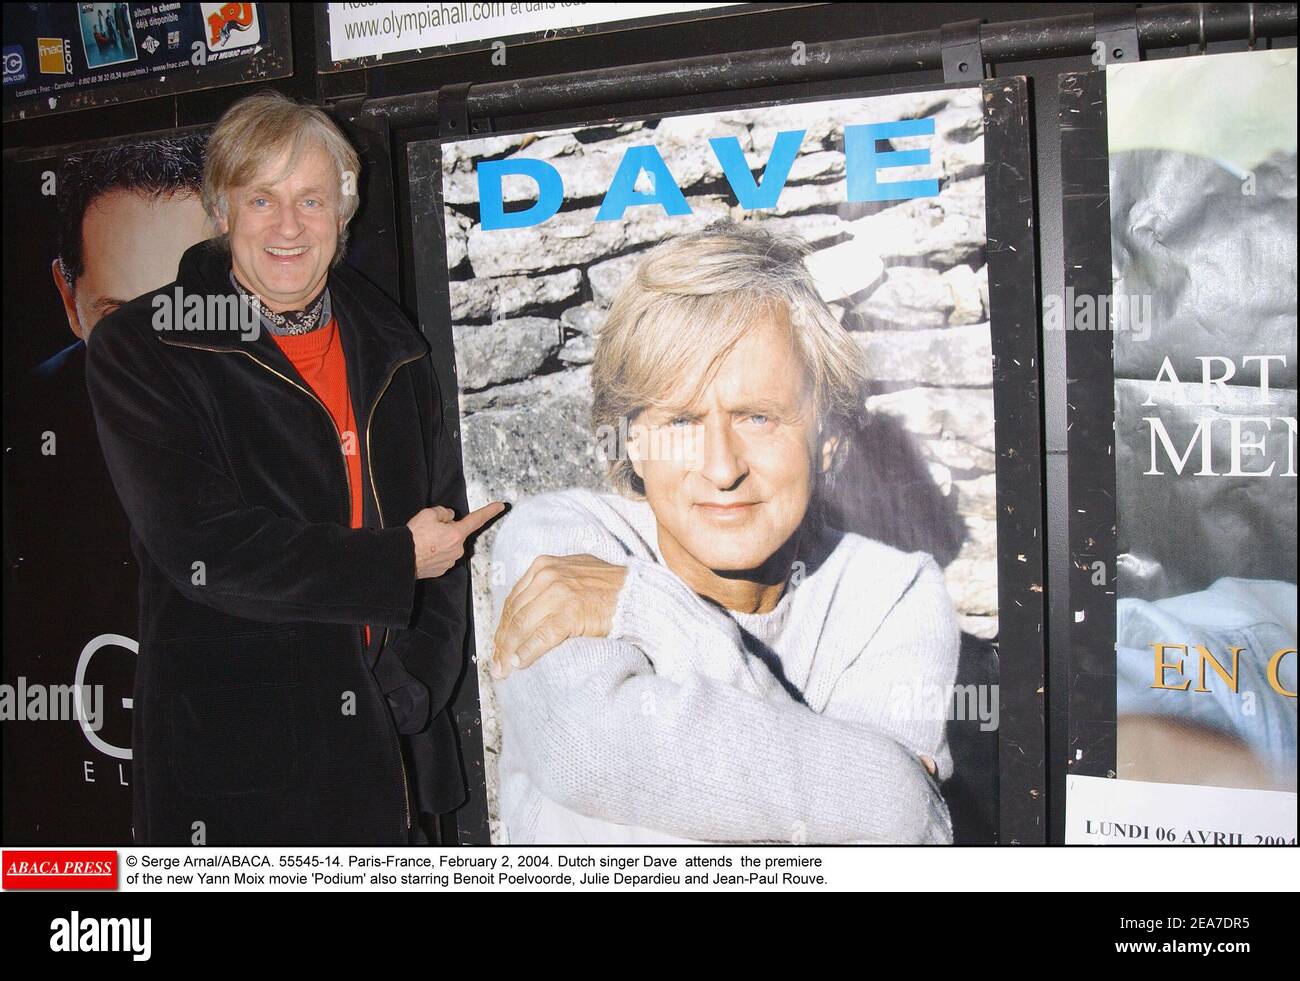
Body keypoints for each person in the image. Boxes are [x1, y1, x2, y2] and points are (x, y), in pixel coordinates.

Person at [85, 90, 503, 844]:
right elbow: (208, 548)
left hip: (393, 763)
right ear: (221, 211)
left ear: (343, 215)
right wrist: (395, 559)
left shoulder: (394, 344)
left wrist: (415, 689)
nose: (287, 225)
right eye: (261, 198)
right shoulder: (145, 348)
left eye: (311, 199)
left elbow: (449, 526)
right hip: (239, 780)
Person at [489, 224, 960, 844]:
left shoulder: (896, 595)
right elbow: (588, 755)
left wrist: (651, 611)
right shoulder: (560, 541)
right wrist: (874, 781)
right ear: (632, 440)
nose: (722, 467)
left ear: (829, 441)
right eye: (681, 420)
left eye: (758, 417)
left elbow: (898, 826)